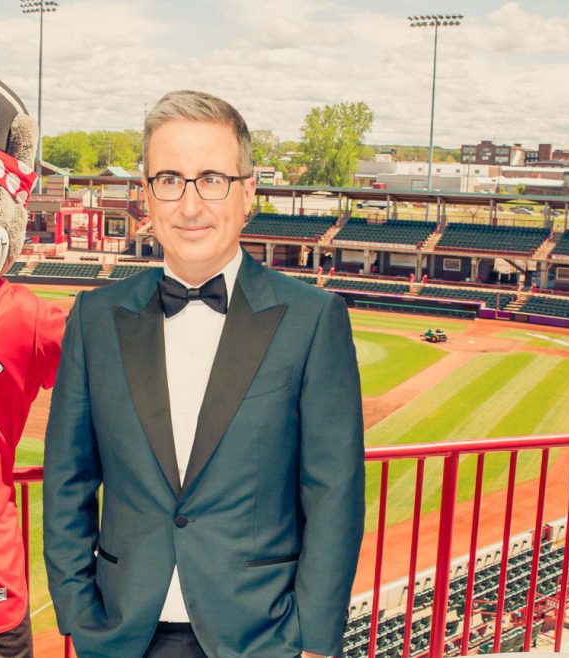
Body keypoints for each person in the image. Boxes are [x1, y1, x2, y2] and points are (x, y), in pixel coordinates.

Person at [43, 89, 364, 658]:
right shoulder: (94, 319)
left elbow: (334, 494)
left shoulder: (314, 320)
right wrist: (77, 614)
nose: (190, 205)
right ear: (146, 195)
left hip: (262, 640)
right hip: (120, 637)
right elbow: (68, 481)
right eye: (169, 179)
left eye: (211, 179)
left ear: (248, 194)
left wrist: (312, 642)